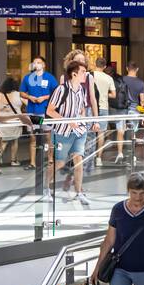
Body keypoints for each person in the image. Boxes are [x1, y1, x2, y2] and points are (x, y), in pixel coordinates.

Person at [45, 56, 98, 206]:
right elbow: (50, 110)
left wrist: (81, 120)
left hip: (78, 131)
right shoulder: (61, 89)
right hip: (62, 131)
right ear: (74, 74)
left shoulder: (81, 89)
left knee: (79, 161)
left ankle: (79, 192)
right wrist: (68, 121)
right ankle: (45, 187)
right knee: (59, 163)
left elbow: (81, 107)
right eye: (82, 71)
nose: (85, 74)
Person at [20, 56, 58, 168]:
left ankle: (50, 159)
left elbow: (56, 93)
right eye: (35, 63)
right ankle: (32, 162)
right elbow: (21, 93)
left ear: (44, 65)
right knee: (33, 137)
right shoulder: (27, 78)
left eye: (39, 62)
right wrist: (30, 97)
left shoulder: (50, 78)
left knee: (48, 136)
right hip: (32, 112)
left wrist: (45, 97)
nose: (37, 64)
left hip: (45, 112)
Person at [90, 57, 116, 165]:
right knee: (101, 134)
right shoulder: (109, 78)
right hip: (104, 107)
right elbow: (114, 95)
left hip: (91, 107)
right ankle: (99, 158)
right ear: (105, 67)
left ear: (95, 64)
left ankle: (89, 157)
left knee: (90, 132)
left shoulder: (90, 75)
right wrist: (105, 94)